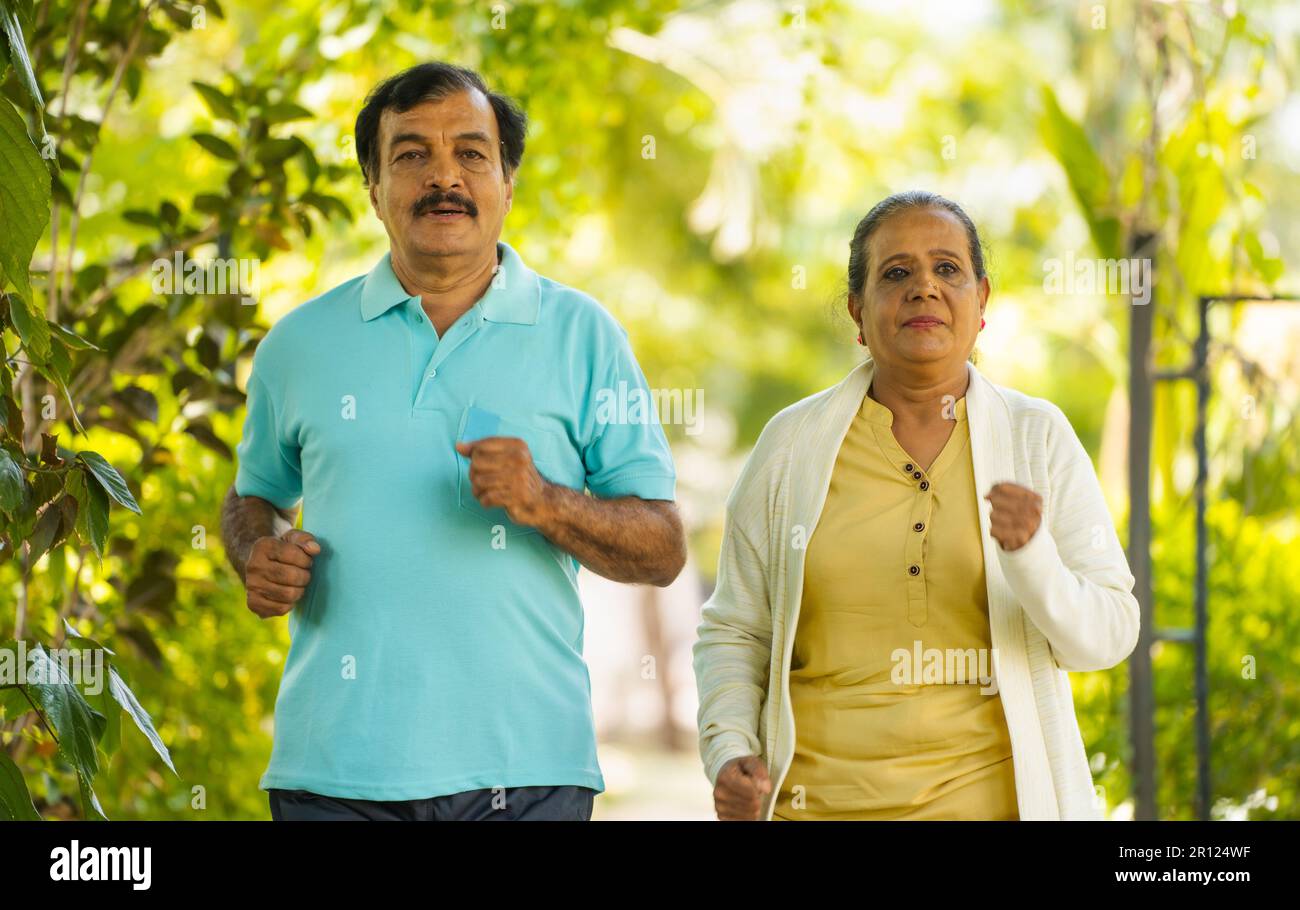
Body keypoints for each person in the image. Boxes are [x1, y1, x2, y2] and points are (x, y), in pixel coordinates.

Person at [221, 62, 686, 821]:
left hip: (529, 768)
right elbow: (255, 499)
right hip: (334, 773)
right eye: (411, 155)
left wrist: (545, 503)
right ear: (374, 188)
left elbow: (662, 549)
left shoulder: (584, 336)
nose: (444, 177)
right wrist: (256, 554)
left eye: (471, 152)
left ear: (507, 182)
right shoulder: (298, 345)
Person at [693, 190, 1139, 821]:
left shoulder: (1036, 437)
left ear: (981, 302)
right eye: (896, 273)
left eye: (947, 269)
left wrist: (1032, 557)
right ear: (857, 310)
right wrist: (729, 748)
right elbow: (736, 628)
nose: (924, 288)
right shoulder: (790, 445)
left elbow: (1109, 635)